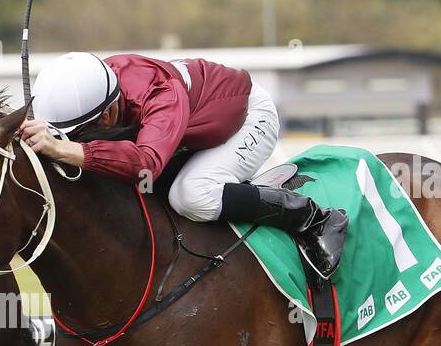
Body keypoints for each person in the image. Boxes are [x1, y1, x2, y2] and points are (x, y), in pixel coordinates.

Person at [20, 51, 347, 279]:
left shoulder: (159, 94)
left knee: (190, 195)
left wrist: (71, 150)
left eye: (81, 132)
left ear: (106, 114)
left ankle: (312, 217)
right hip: (190, 129)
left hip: (247, 118)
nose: (73, 139)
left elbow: (145, 165)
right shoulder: (92, 88)